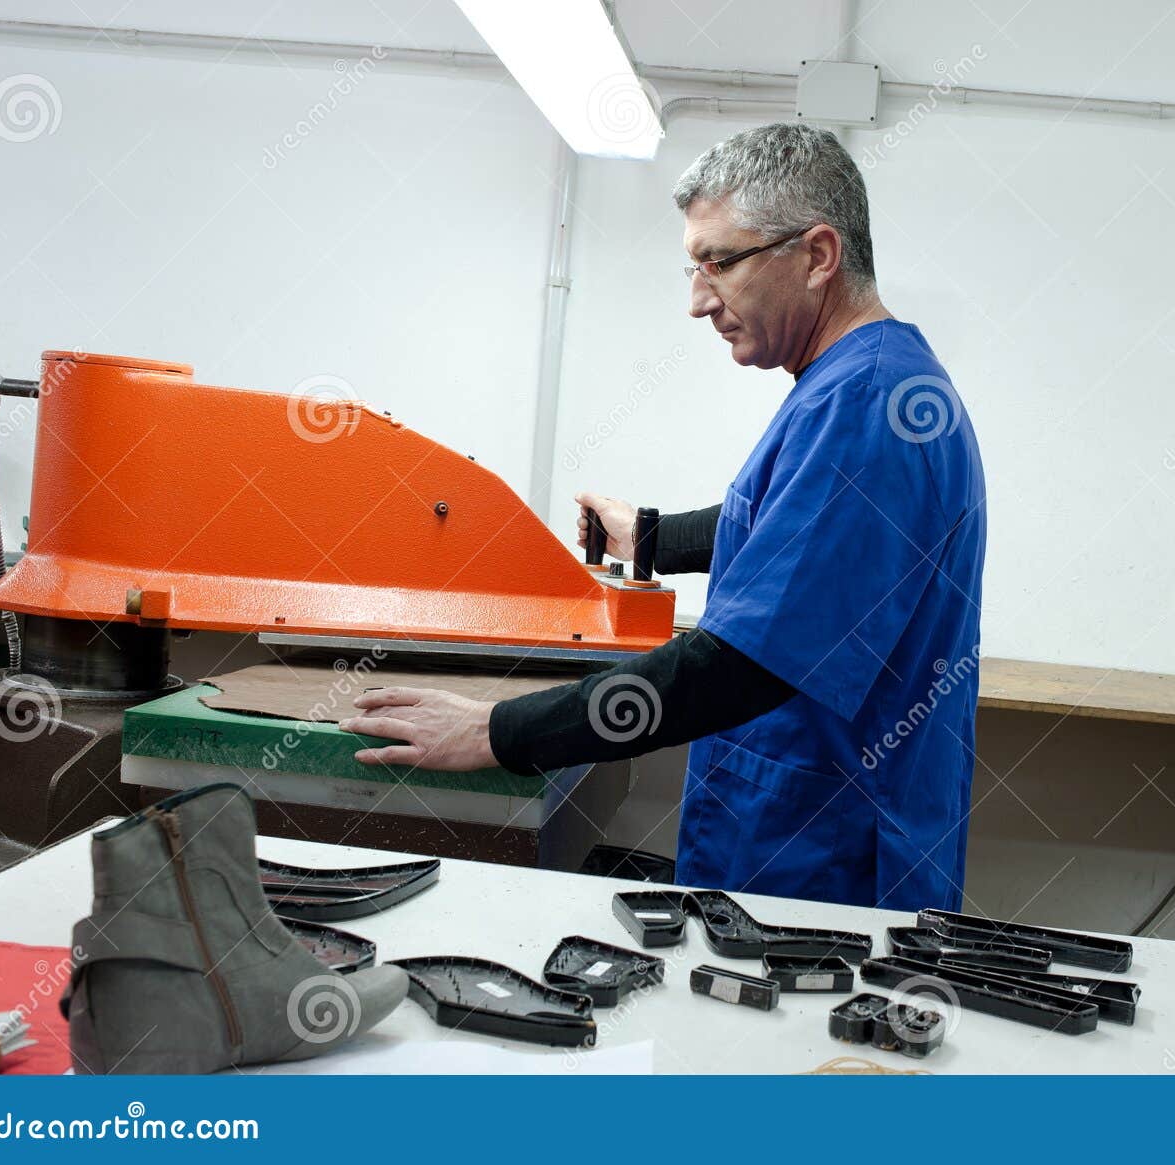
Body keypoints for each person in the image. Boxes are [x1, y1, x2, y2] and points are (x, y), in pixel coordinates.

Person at [342, 123, 986, 910]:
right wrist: (648, 537)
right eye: (694, 265)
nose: (698, 298)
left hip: (824, 867)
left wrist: (498, 732)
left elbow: (736, 667)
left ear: (818, 256)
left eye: (721, 261)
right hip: (804, 835)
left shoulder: (866, 404)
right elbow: (798, 529)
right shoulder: (871, 381)